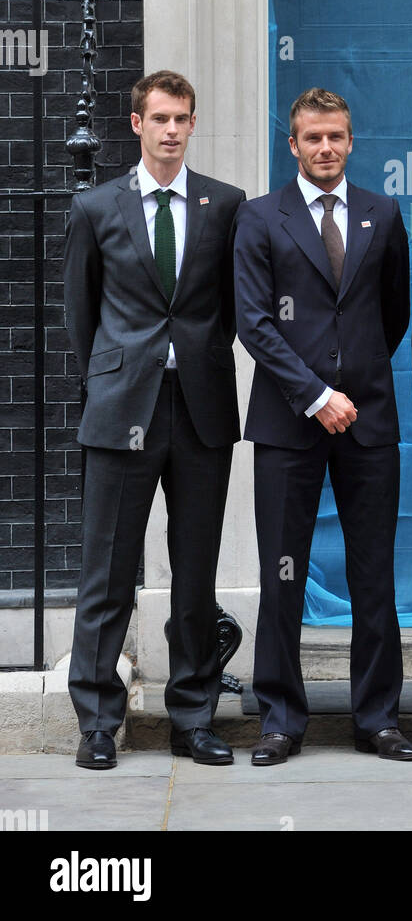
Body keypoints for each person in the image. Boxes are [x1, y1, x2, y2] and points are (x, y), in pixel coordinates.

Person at [64, 71, 246, 769]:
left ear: (193, 126)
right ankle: (98, 720)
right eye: (160, 118)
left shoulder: (223, 205)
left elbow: (228, 309)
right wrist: (115, 374)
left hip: (199, 408)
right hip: (122, 409)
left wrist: (194, 358)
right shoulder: (95, 207)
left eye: (183, 119)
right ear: (136, 124)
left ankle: (194, 718)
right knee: (106, 572)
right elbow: (83, 318)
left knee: (195, 572)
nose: (172, 130)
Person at [233, 88, 412, 763]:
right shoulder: (259, 219)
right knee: (283, 574)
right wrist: (316, 394)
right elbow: (253, 323)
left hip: (367, 422)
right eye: (313, 138)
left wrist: (353, 382)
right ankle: (280, 719)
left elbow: (392, 313)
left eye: (337, 136)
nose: (326, 148)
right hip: (288, 424)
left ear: (350, 139)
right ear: (293, 144)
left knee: (375, 576)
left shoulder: (383, 214)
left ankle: (378, 719)